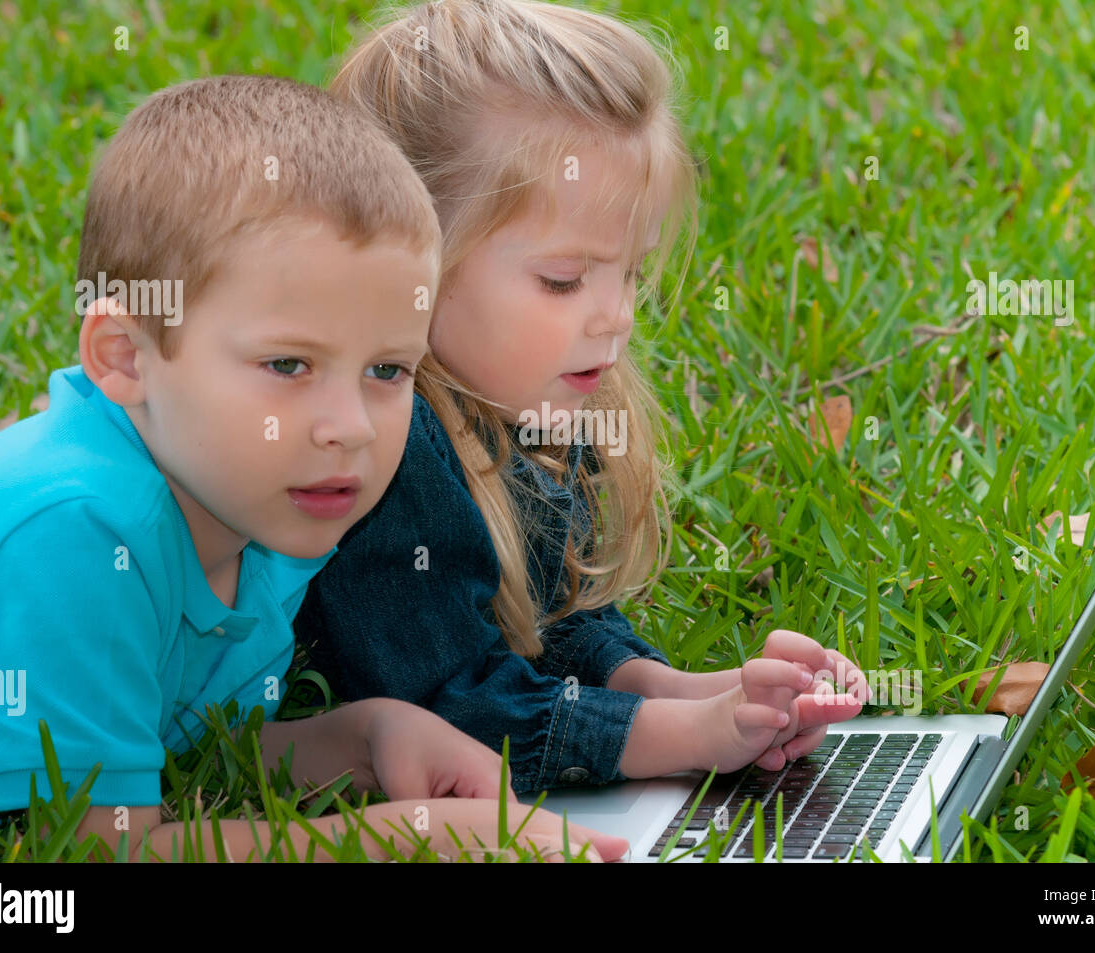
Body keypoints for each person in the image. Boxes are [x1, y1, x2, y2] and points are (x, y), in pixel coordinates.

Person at [0, 73, 626, 862]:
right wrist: (399, 840)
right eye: (289, 363)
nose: (350, 428)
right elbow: (100, 848)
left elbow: (173, 742)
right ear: (125, 356)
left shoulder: (270, 505)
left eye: (389, 370)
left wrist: (368, 733)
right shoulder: (74, 542)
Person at [295, 0, 870, 797]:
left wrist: (705, 694)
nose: (618, 314)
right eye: (564, 279)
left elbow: (551, 620)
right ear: (412, 265)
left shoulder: (536, 391)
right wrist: (684, 737)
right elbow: (442, 710)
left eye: (631, 272)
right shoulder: (385, 442)